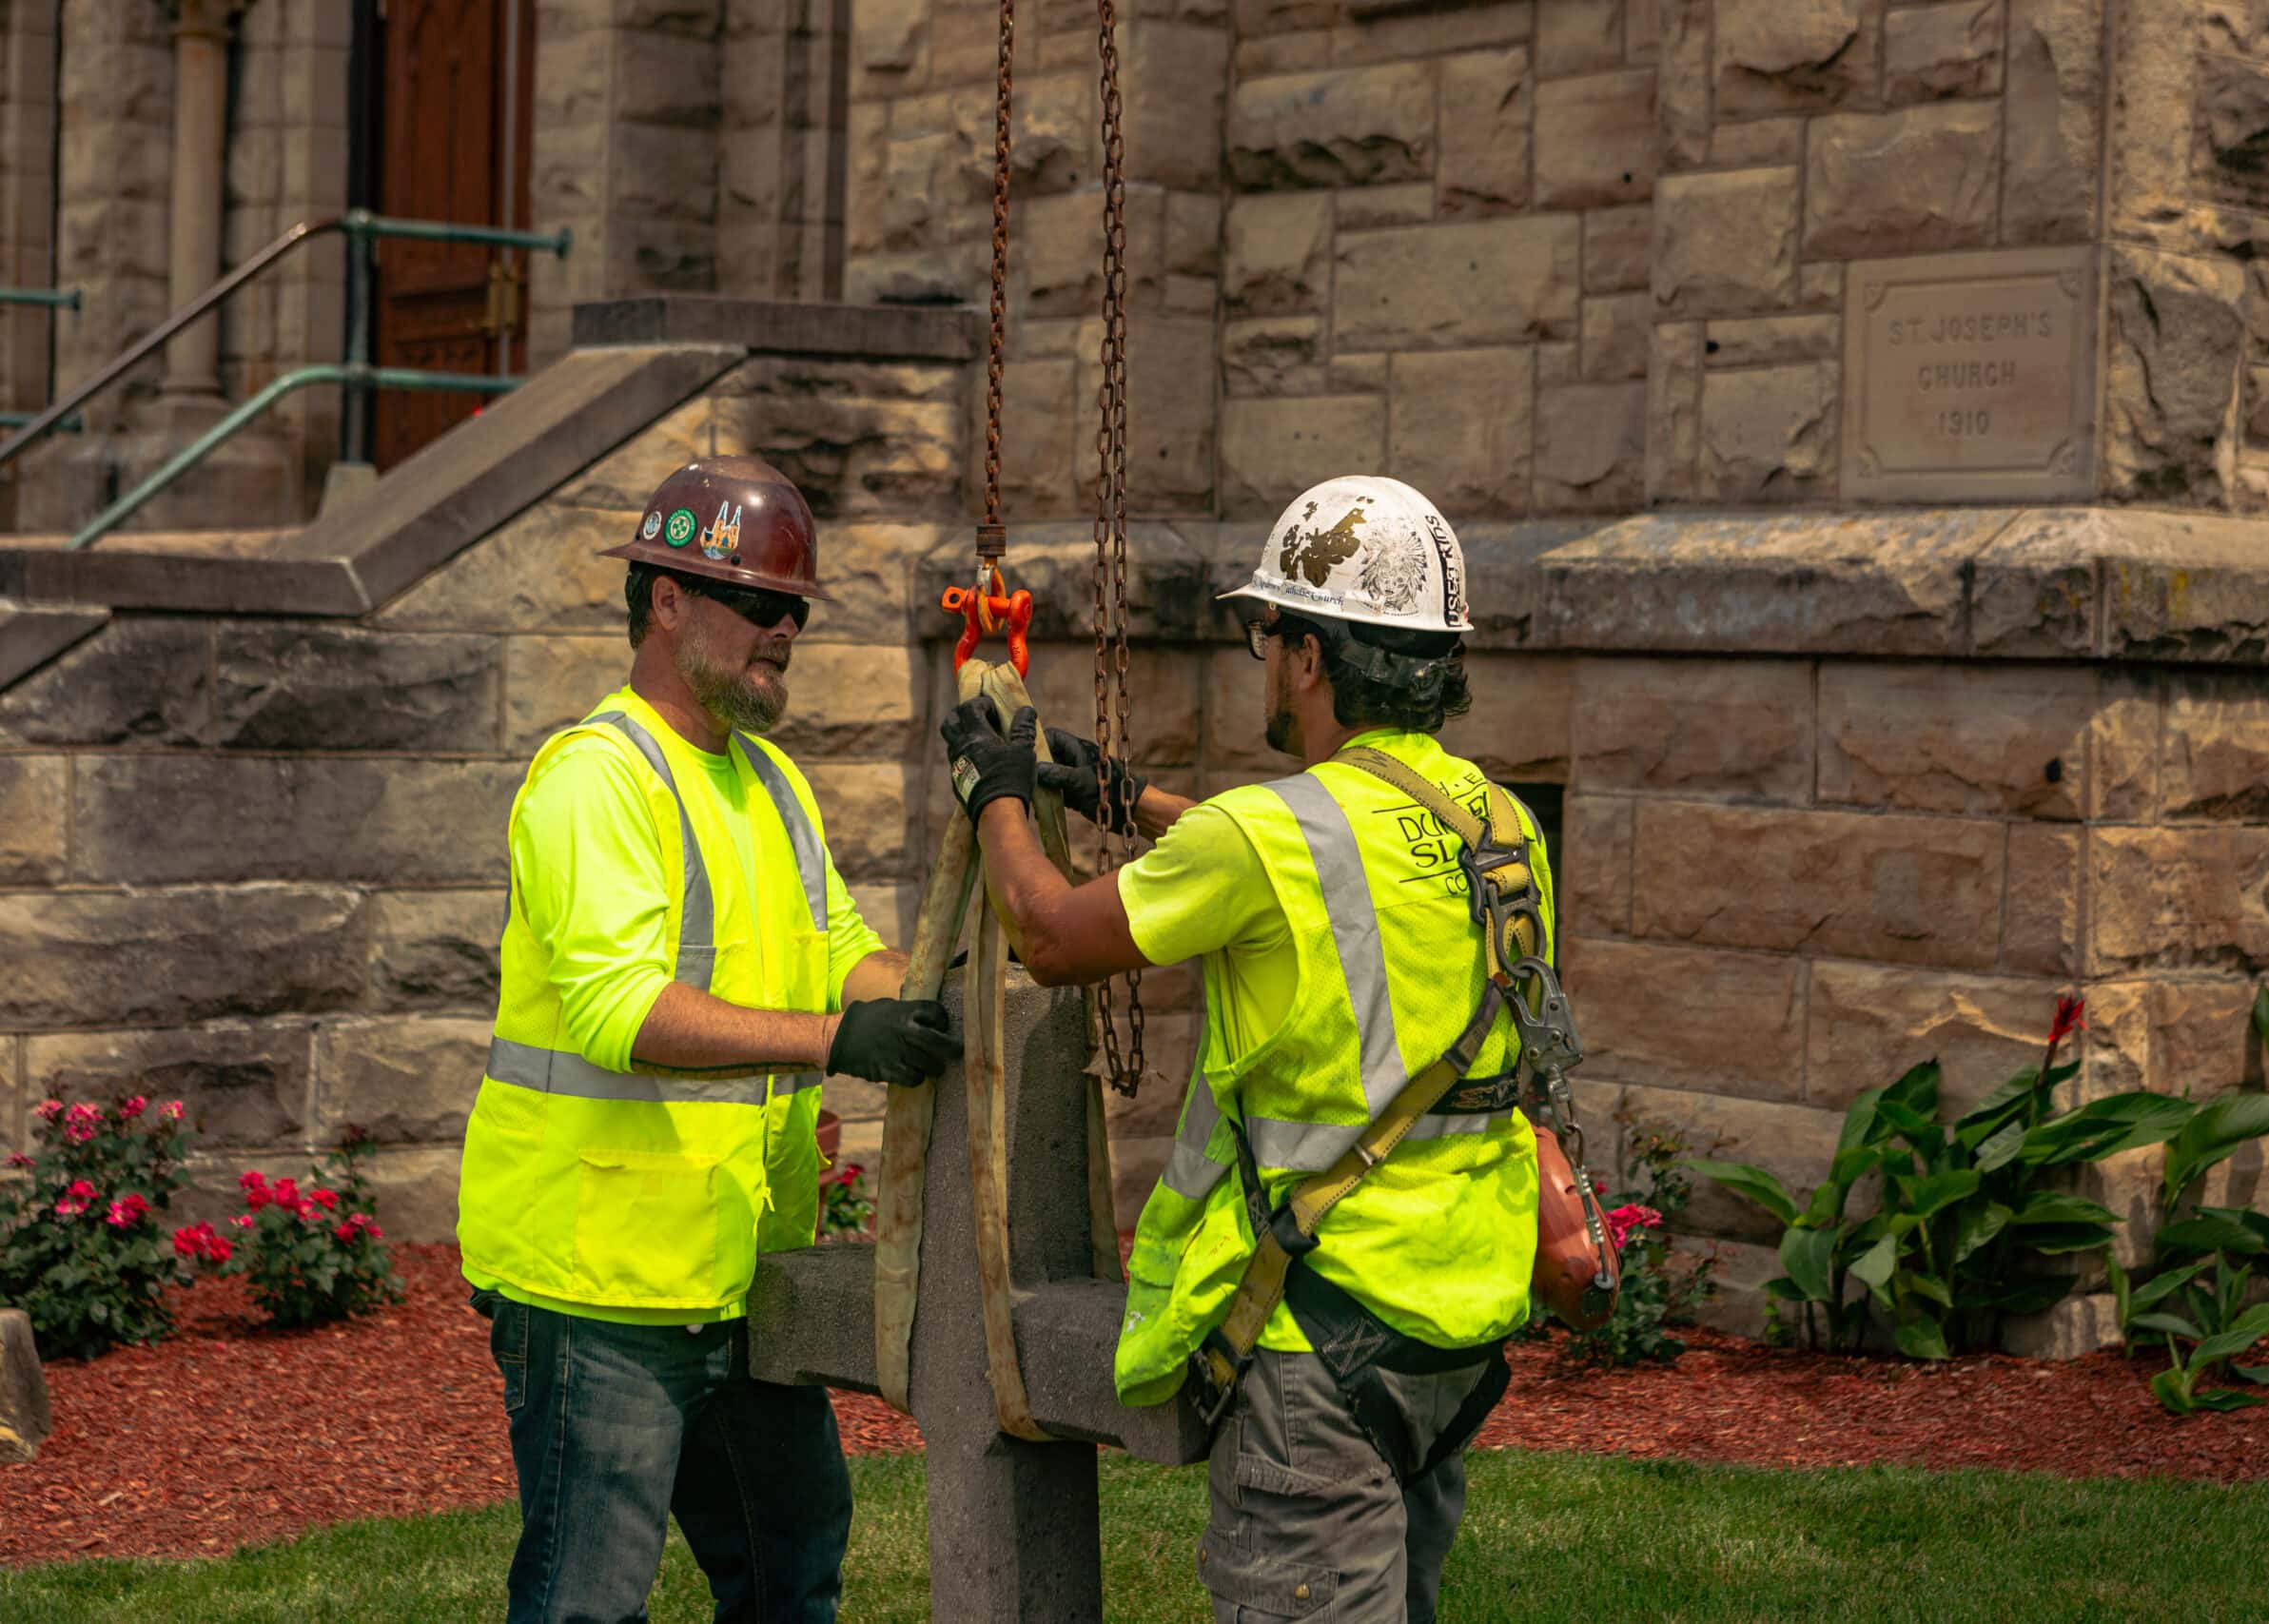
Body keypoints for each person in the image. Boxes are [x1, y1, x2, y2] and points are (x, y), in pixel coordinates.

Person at [939, 476, 1546, 1624]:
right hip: (1454, 1327)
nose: (1261, 657)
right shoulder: (1502, 828)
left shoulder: (1266, 838)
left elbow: (1053, 936)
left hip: (1320, 1334)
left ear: (1309, 657)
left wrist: (998, 797)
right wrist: (1127, 796)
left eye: (1266, 633)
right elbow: (1332, 861)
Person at [458, 455, 960, 1624]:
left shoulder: (773, 783)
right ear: (666, 601)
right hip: (599, 1287)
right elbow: (621, 1011)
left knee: (793, 1563)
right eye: (758, 604)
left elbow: (844, 949)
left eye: (796, 609)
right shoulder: (597, 779)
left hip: (737, 1278)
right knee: (587, 1600)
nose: (783, 630)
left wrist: (966, 985)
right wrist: (838, 1040)